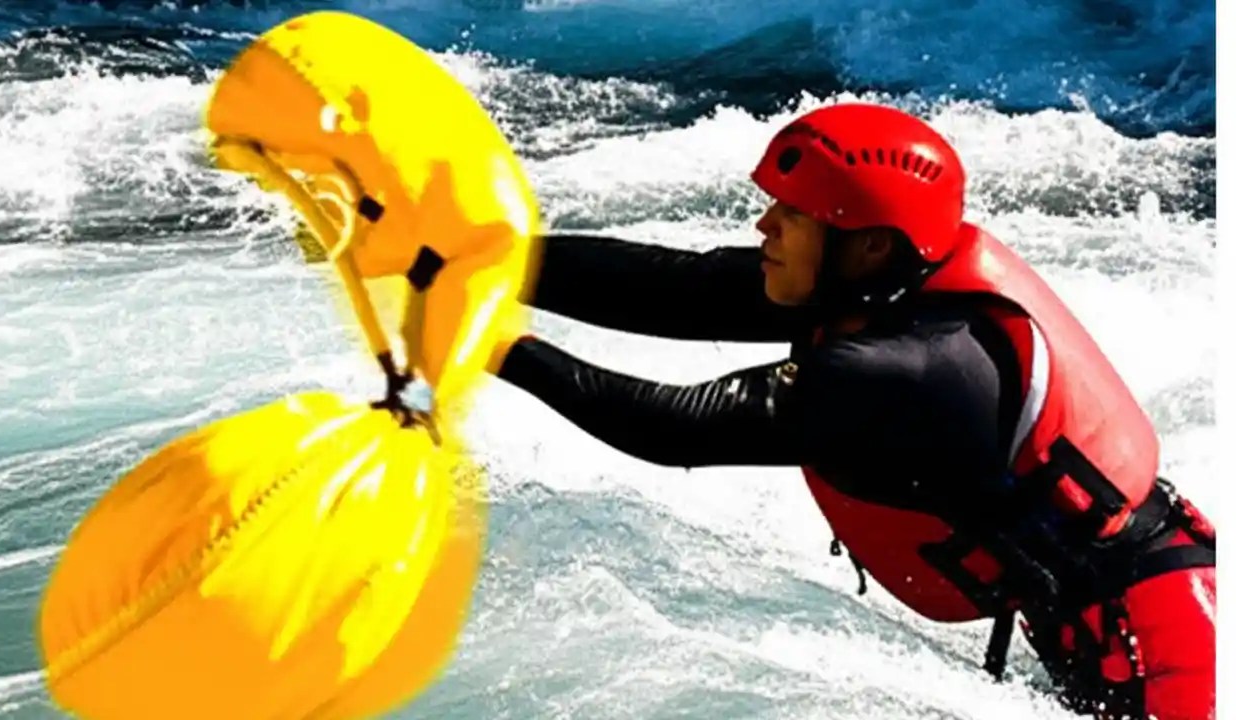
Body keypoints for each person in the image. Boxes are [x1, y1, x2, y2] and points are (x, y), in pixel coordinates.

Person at [486, 103, 1217, 720]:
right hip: (1115, 619)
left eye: (792, 215)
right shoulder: (878, 282)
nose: (763, 226)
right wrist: (485, 259)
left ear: (867, 244)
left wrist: (496, 350)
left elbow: (676, 424)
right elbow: (673, 287)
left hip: (1174, 653)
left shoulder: (916, 369)